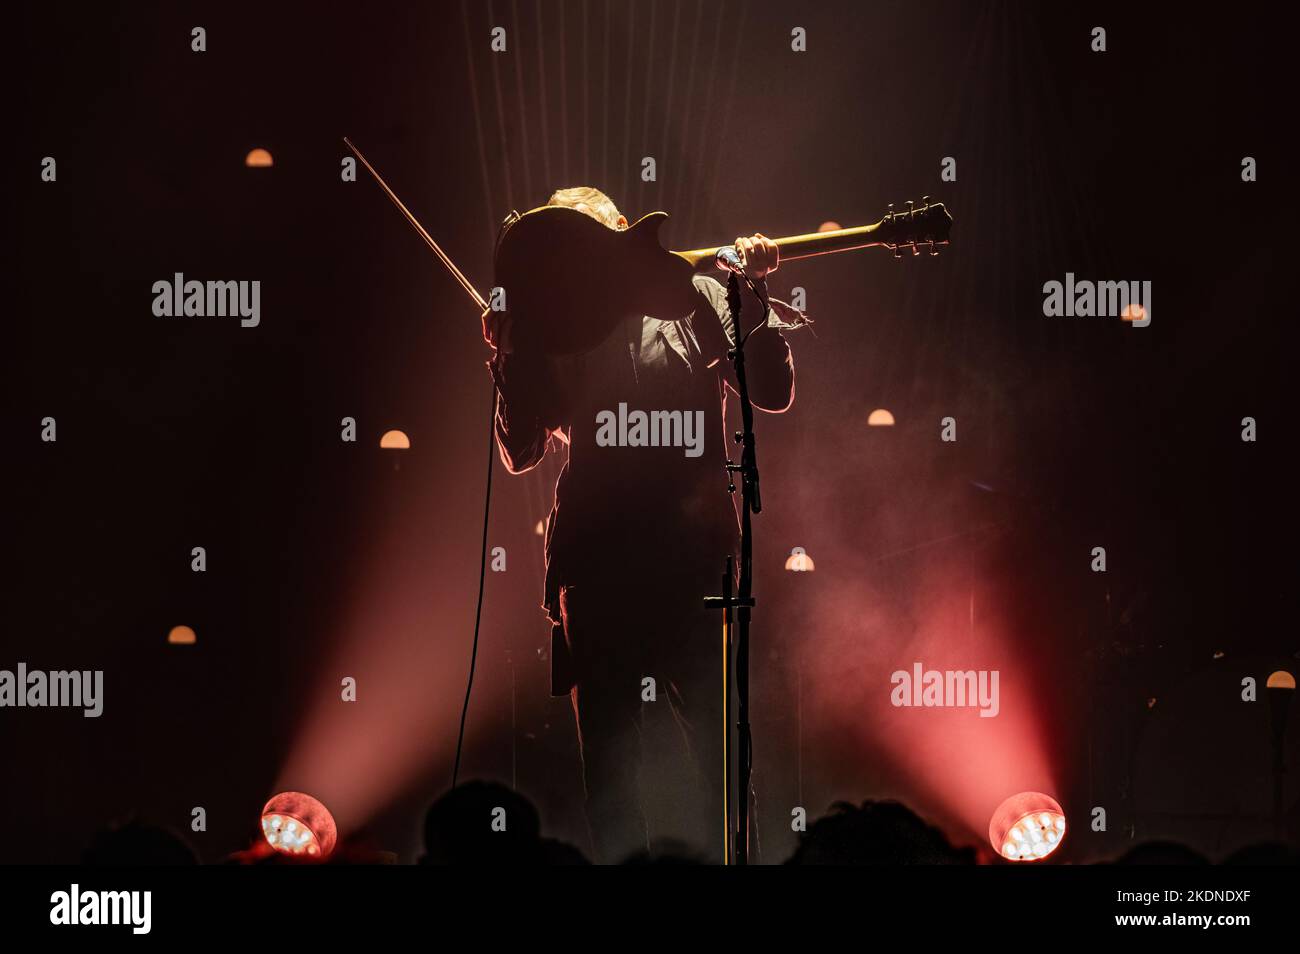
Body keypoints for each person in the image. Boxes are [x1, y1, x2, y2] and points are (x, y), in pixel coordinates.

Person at [482, 186, 804, 862]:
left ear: (625, 235)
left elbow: (770, 391)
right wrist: (509, 356)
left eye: (587, 233)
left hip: (693, 561)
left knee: (721, 752)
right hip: (595, 569)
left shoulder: (697, 294)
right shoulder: (551, 323)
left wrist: (748, 295)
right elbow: (521, 452)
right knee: (610, 764)